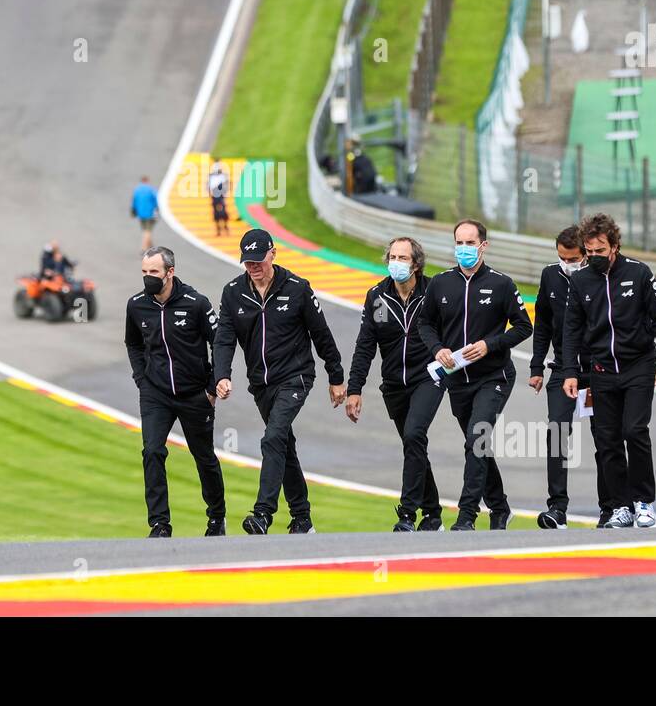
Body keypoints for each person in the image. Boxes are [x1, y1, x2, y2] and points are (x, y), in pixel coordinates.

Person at [214, 229, 346, 535]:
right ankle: (302, 518)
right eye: (248, 262)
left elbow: (321, 335)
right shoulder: (233, 292)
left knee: (272, 438)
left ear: (273, 253)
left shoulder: (298, 288)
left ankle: (263, 514)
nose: (253, 267)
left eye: (258, 260)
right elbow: (223, 339)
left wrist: (337, 378)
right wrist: (221, 375)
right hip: (260, 382)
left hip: (296, 376)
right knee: (284, 445)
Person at [561, 213, 656, 529]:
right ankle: (620, 506)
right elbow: (571, 329)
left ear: (615, 246)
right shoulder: (581, 280)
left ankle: (644, 501)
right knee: (607, 440)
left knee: (634, 431)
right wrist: (570, 371)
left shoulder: (639, 274)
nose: (594, 257)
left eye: (600, 251)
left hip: (638, 366)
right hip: (601, 371)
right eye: (589, 252)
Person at [417, 219, 532, 530]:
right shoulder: (440, 283)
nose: (463, 249)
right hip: (457, 380)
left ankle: (467, 516)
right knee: (476, 445)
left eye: (470, 243)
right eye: (459, 242)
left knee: (475, 439)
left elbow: (524, 326)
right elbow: (424, 324)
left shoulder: (501, 284)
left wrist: (489, 345)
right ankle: (500, 507)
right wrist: (437, 348)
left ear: (484, 245)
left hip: (493, 377)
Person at [125, 247, 227, 538]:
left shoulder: (196, 303)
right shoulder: (136, 305)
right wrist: (142, 380)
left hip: (195, 394)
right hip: (155, 394)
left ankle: (216, 517)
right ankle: (160, 524)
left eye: (154, 272)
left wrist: (212, 386)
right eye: (144, 272)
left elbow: (219, 342)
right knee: (152, 451)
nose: (148, 278)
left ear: (170, 272)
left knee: (203, 456)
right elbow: (132, 344)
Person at [346, 237, 444, 532]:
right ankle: (433, 513)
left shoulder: (434, 292)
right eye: (393, 257)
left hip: (429, 376)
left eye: (403, 258)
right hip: (393, 384)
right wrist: (354, 388)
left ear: (416, 264)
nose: (396, 263)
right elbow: (365, 345)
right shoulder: (376, 296)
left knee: (415, 435)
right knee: (413, 444)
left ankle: (407, 514)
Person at [528, 226, 609, 528]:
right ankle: (557, 508)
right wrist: (537, 367)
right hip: (563, 368)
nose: (567, 264)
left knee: (605, 436)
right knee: (557, 433)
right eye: (562, 258)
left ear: (585, 255)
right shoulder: (551, 276)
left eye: (573, 258)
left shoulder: (600, 277)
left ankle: (610, 507)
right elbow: (543, 324)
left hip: (597, 369)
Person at [131, 175, 160, 251]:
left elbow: (134, 202)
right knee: (148, 231)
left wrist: (133, 211)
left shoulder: (137, 190)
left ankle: (151, 247)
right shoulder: (151, 190)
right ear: (147, 181)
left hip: (140, 214)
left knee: (145, 230)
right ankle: (143, 249)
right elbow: (157, 200)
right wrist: (157, 209)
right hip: (150, 213)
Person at [208, 158, 230, 237]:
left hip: (219, 196)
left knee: (222, 212)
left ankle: (225, 227)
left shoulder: (222, 176)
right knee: (217, 212)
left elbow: (226, 185)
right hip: (216, 197)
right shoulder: (213, 176)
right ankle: (219, 229)